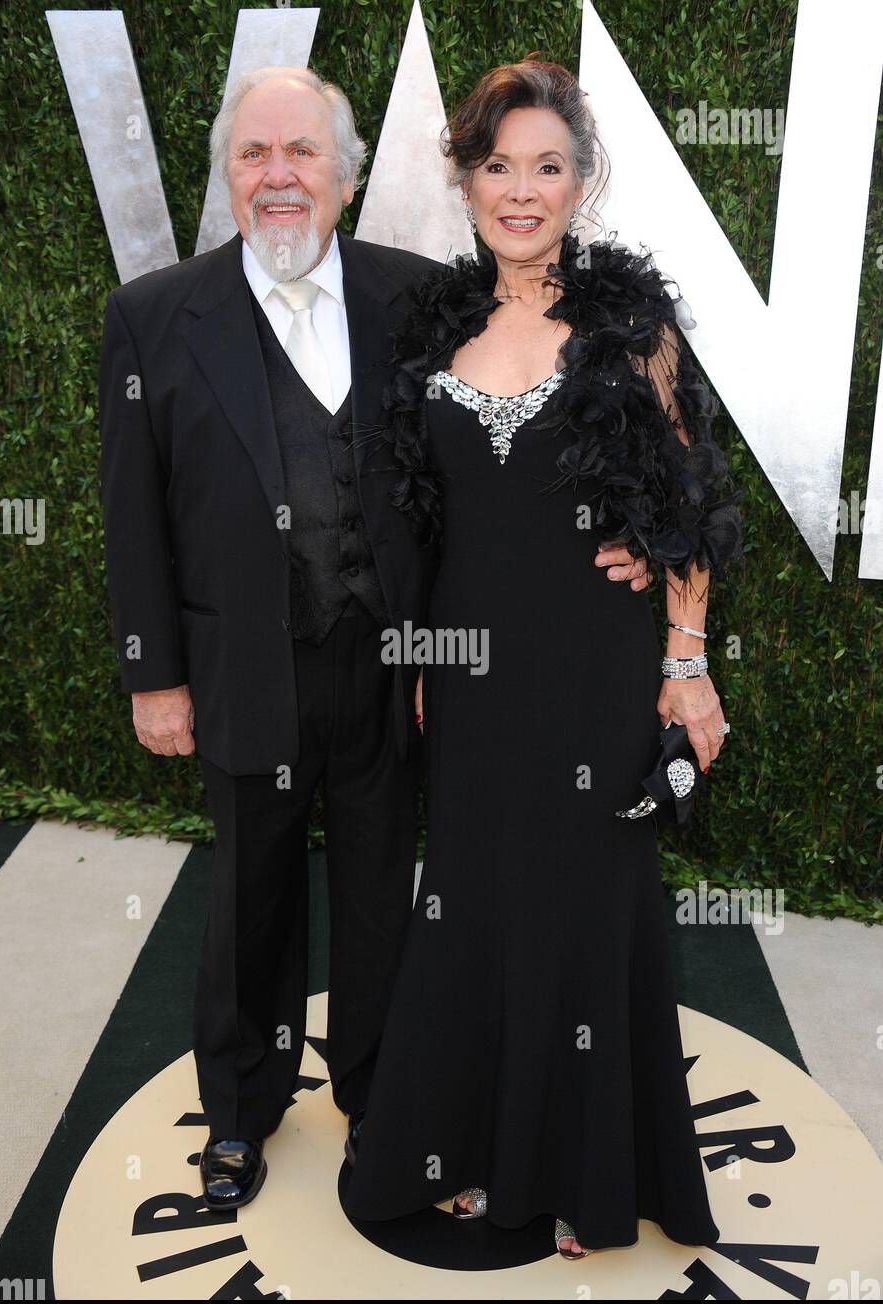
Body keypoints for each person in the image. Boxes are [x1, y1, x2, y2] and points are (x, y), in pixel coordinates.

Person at [98, 64, 651, 1212]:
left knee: (381, 888)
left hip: (394, 666)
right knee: (250, 892)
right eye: (256, 154)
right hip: (245, 663)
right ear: (228, 175)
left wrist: (625, 539)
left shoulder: (416, 299)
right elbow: (132, 512)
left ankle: (377, 1093)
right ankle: (242, 1109)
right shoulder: (153, 315)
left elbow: (494, 473)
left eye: (303, 153)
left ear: (345, 180)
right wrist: (156, 676)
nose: (279, 175)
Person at [343, 59, 743, 1257]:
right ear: (464, 179)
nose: (522, 191)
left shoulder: (632, 329)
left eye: (548, 167)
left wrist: (685, 659)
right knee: (471, 894)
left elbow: (690, 507)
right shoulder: (437, 325)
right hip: (468, 675)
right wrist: (418, 656)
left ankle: (588, 1167)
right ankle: (463, 1142)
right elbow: (418, 522)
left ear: (583, 180)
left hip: (595, 668)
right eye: (499, 166)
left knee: (585, 898)